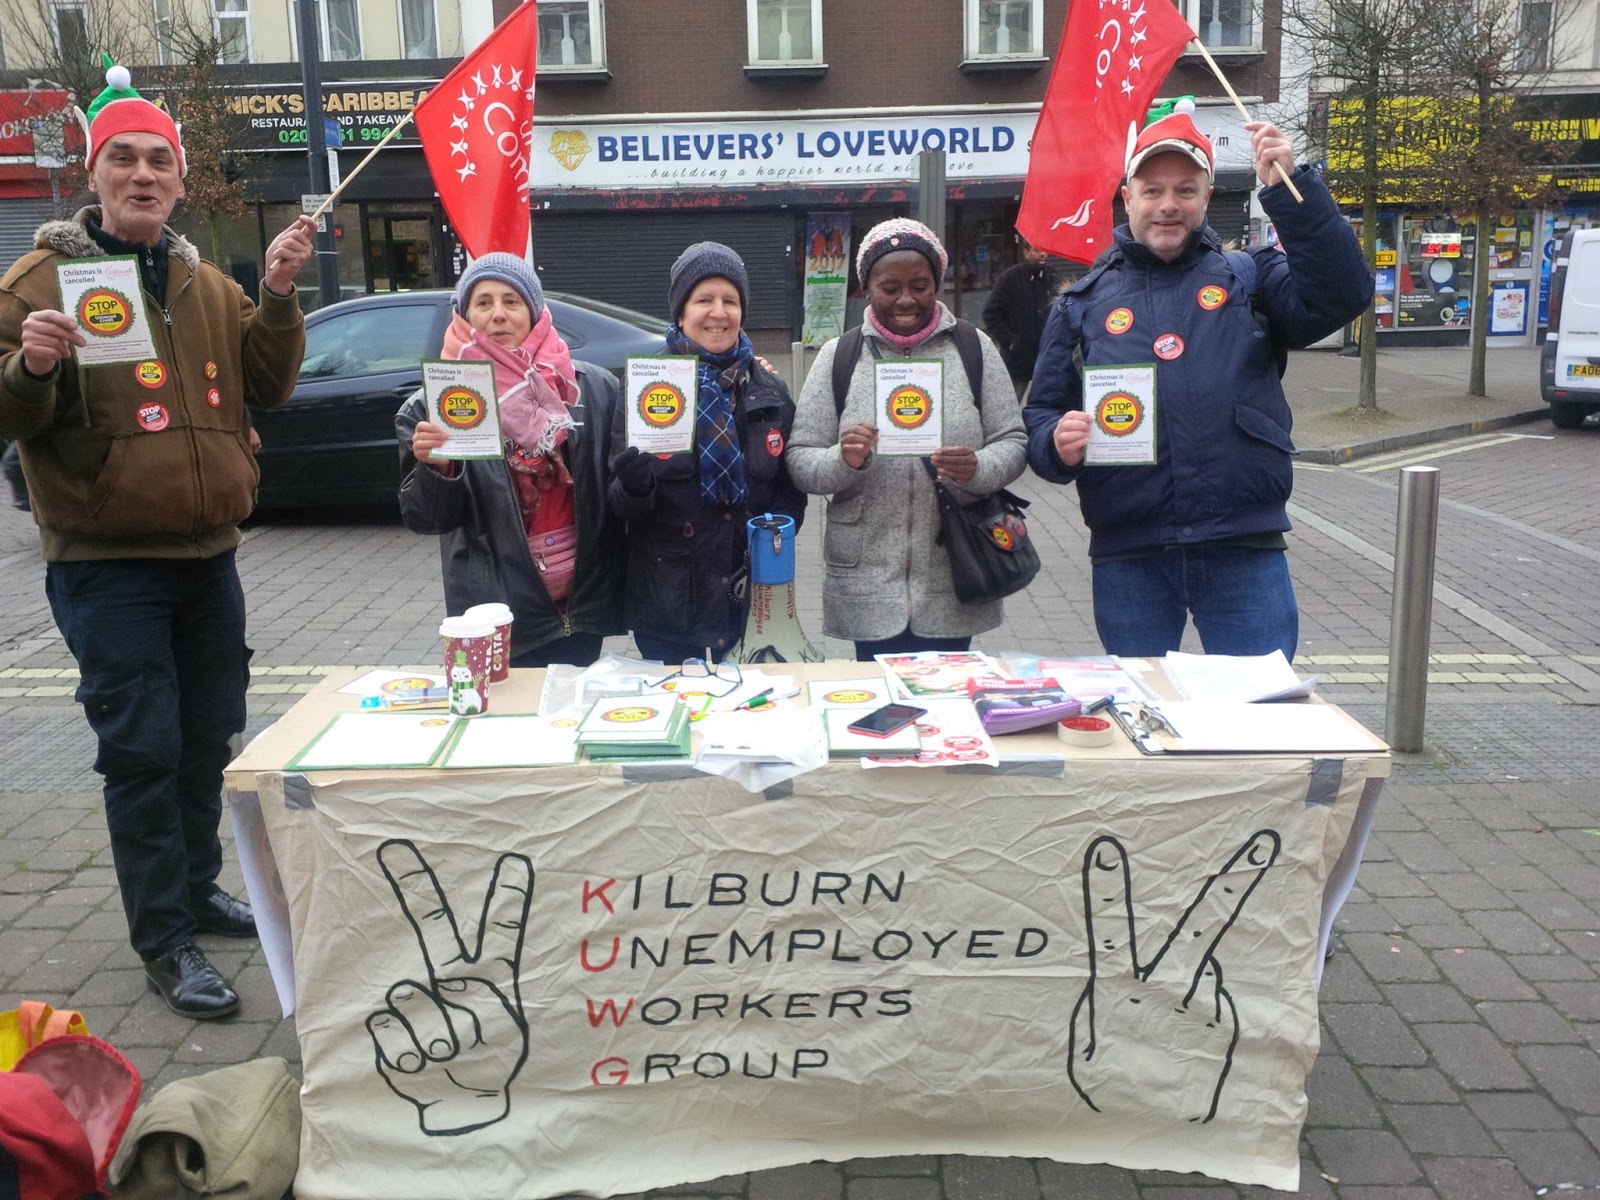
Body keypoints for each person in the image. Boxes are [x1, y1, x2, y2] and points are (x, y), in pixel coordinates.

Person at [0, 66, 316, 1018]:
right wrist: (34, 365)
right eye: (123, 160)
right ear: (93, 176)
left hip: (207, 556)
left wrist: (281, 294)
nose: (143, 176)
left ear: (179, 181)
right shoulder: (36, 283)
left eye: (159, 163)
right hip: (106, 567)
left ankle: (195, 887)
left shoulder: (205, 282)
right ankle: (165, 939)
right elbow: (6, 412)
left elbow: (270, 385)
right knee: (140, 751)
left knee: (205, 739)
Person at [1024, 110, 1373, 661]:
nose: (1169, 204)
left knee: (1259, 719)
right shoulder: (1081, 304)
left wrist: (1291, 186)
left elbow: (1342, 294)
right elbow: (1041, 415)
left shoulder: (1249, 275)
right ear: (1126, 196)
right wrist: (1056, 443)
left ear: (1207, 198)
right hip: (1129, 553)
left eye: (1186, 189)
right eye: (1153, 189)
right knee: (1144, 718)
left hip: (1243, 545)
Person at [787, 218, 1027, 661]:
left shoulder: (975, 349)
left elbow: (1012, 441)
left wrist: (979, 468)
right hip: (867, 576)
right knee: (882, 710)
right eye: (889, 286)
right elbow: (801, 459)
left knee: (947, 708)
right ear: (866, 288)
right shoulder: (838, 357)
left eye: (920, 285)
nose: (905, 299)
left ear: (937, 282)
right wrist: (845, 460)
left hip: (954, 569)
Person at [396, 253, 625, 667]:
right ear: (465, 315)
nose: (498, 315)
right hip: (495, 616)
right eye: (483, 303)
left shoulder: (592, 388)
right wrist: (438, 470)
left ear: (534, 313)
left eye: (512, 301)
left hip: (581, 608)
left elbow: (618, 494)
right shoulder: (432, 405)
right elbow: (428, 520)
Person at [608, 242, 806, 665]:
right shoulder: (644, 385)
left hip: (751, 603)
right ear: (681, 313)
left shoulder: (769, 390)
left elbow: (791, 490)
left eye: (730, 301)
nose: (719, 312)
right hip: (670, 606)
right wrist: (635, 486)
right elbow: (618, 506)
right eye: (704, 300)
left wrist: (774, 540)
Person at [983, 234, 1061, 399]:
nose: (1043, 254)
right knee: (1009, 404)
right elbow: (991, 314)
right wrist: (1011, 341)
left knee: (1045, 404)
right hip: (1017, 360)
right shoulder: (1010, 278)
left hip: (1047, 358)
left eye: (1045, 250)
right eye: (1037, 250)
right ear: (1026, 252)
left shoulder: (1054, 277)